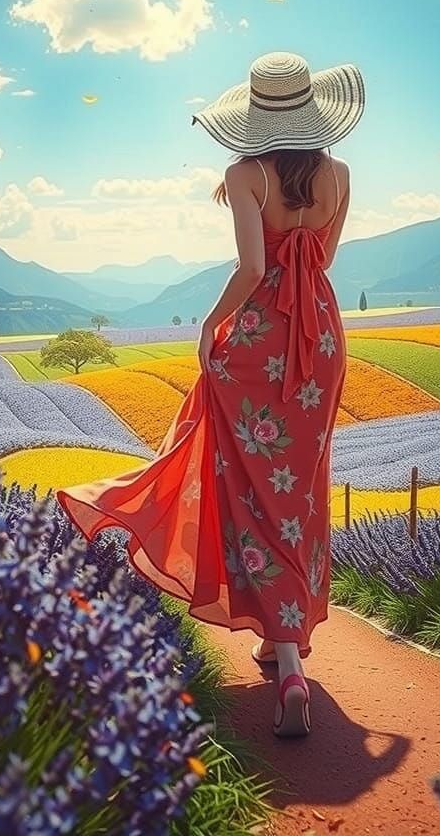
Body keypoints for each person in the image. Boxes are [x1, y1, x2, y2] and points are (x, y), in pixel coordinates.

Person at [56, 51, 364, 737]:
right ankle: (283, 642)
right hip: (319, 342)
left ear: (254, 117)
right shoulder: (339, 175)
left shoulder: (243, 174)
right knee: (300, 491)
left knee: (248, 484)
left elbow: (253, 267)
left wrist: (211, 320)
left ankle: (287, 661)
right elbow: (324, 261)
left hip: (258, 341)